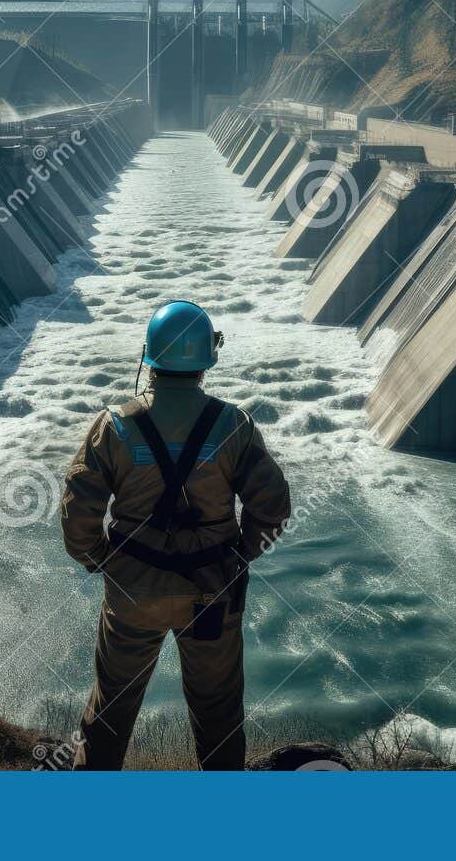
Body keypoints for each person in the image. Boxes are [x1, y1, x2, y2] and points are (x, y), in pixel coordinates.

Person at [60, 300, 292, 770]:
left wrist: (101, 560)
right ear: (208, 359)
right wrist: (238, 556)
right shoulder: (235, 426)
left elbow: (78, 515)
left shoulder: (115, 426)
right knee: (218, 712)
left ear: (149, 356)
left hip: (132, 593)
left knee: (110, 711)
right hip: (211, 591)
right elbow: (273, 509)